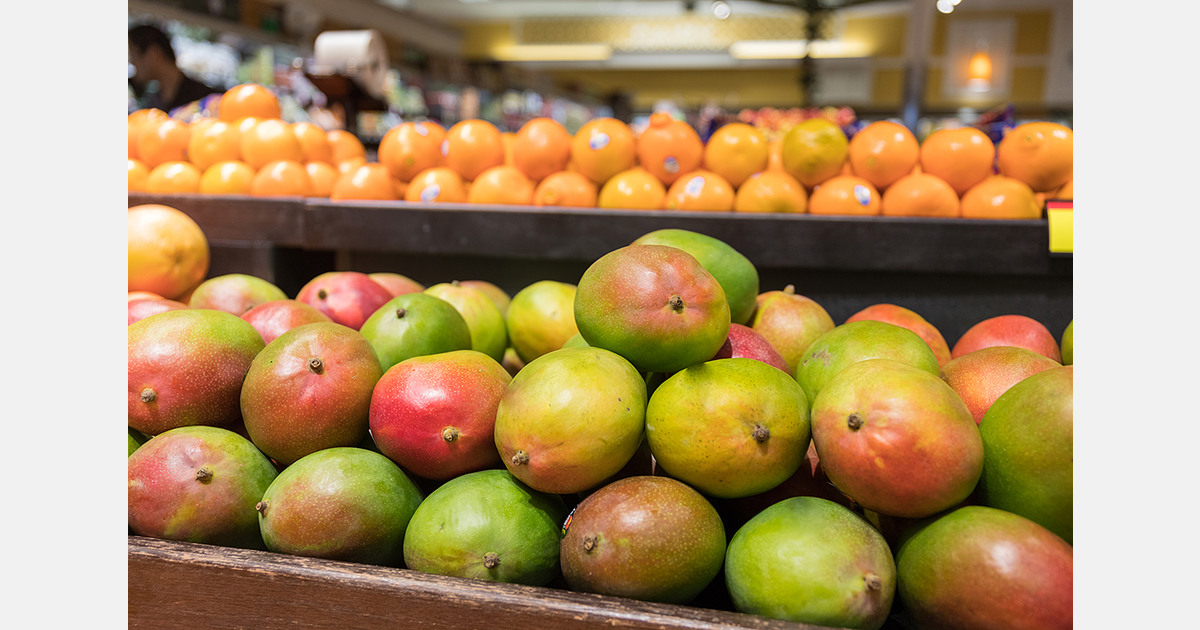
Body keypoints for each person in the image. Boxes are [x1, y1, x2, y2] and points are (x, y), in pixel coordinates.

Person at [129, 23, 221, 114]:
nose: (132, 62)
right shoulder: (153, 103)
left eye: (133, 56)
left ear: (153, 54)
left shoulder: (208, 99)